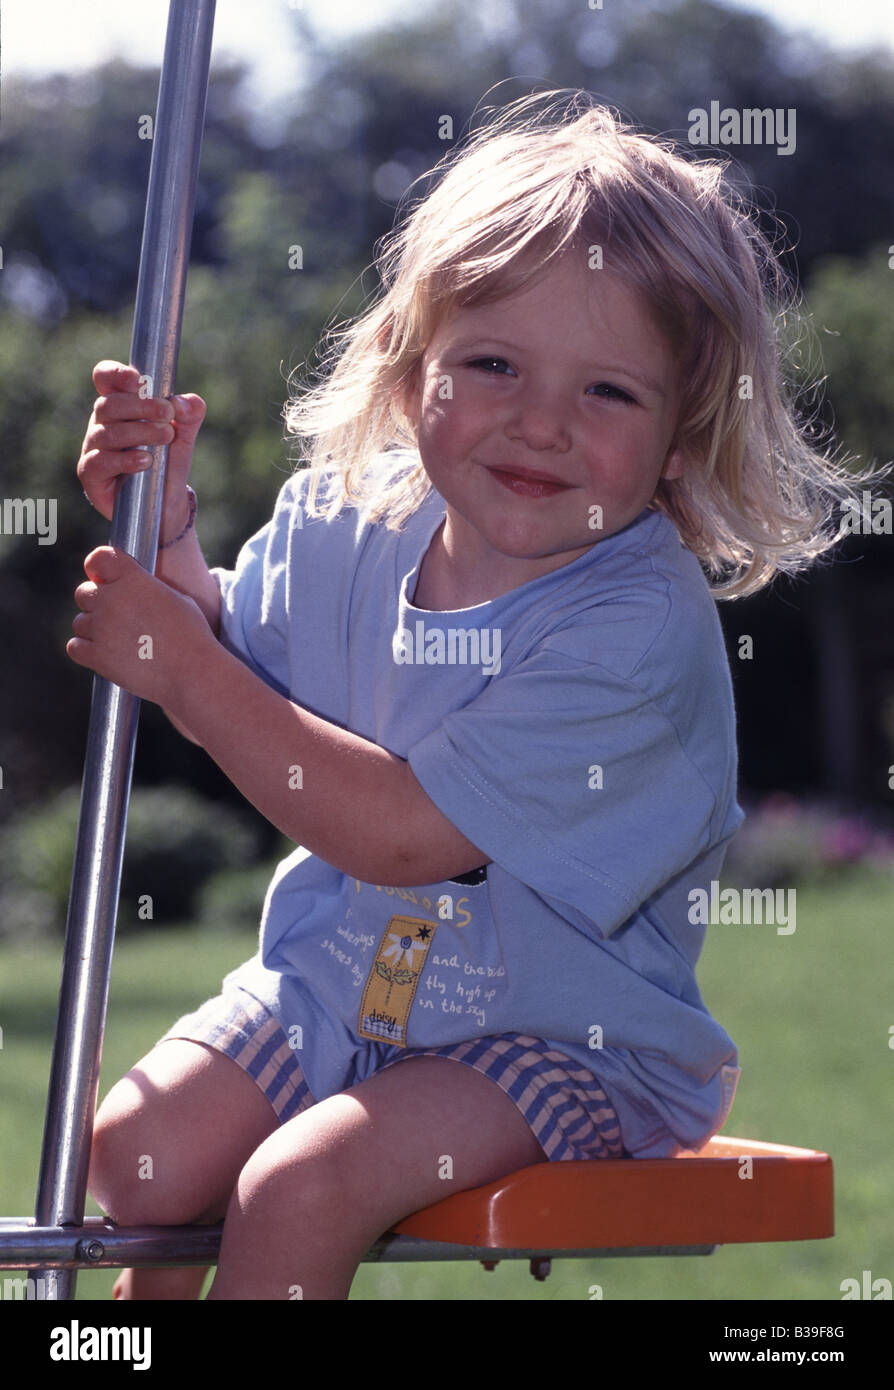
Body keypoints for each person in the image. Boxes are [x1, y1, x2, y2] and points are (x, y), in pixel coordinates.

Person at [68, 91, 862, 1300]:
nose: (539, 420)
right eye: (491, 362)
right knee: (138, 1156)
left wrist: (178, 666)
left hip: (566, 1039)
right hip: (337, 985)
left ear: (682, 439)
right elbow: (235, 652)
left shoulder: (634, 625)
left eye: (607, 392)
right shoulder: (348, 521)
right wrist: (166, 540)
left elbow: (391, 830)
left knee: (300, 1185)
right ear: (408, 370)